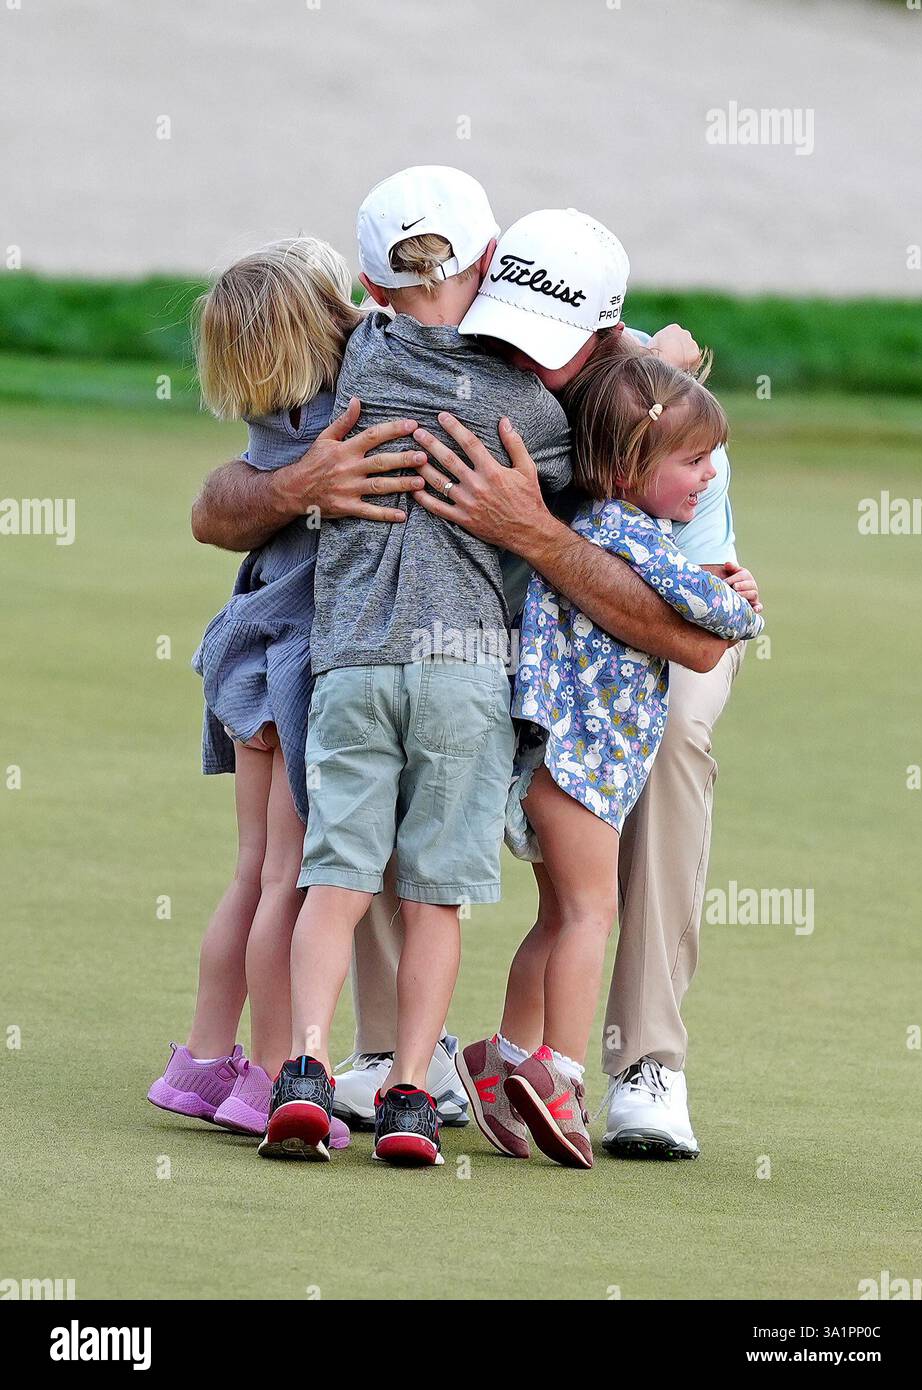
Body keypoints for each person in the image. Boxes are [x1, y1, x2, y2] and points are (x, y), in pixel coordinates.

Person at [189, 211, 743, 1161]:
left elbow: (686, 640)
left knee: (678, 734)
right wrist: (296, 486)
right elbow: (215, 506)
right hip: (461, 642)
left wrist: (533, 531)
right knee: (379, 695)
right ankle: (404, 1057)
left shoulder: (662, 421)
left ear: (609, 336)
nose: (522, 359)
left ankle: (643, 1059)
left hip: (625, 639)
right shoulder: (427, 335)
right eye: (508, 324)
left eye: (553, 348)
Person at [258, 167, 573, 1168]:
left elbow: (336, 312)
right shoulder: (530, 404)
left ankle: (303, 1069)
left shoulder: (355, 361)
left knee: (338, 877)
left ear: (369, 283)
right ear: (489, 264)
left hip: (352, 663)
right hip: (466, 672)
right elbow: (576, 484)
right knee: (435, 893)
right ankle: (403, 1094)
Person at [456, 342, 763, 1168]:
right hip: (586, 765)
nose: (708, 477)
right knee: (593, 914)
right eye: (693, 461)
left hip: (554, 757)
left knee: (555, 917)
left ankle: (498, 1062)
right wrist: (739, 598)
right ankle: (557, 1073)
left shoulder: (594, 523)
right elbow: (717, 618)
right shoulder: (636, 537)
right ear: (631, 464)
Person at [147, 236, 368, 1148]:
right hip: (301, 668)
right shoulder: (349, 406)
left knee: (249, 873)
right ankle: (275, 1077)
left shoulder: (270, 421)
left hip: (248, 658)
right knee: (290, 877)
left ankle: (204, 1060)